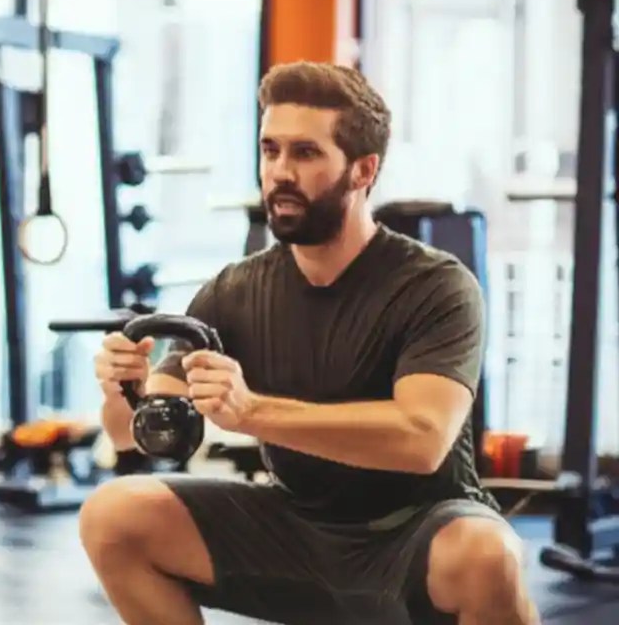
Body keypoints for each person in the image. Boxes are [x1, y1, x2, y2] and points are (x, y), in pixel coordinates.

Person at [81, 61, 538, 625]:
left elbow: (421, 439)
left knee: (488, 554)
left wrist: (252, 412)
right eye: (270, 150)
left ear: (362, 170)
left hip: (416, 532)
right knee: (113, 514)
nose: (279, 172)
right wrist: (121, 388)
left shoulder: (435, 285)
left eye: (305, 153)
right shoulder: (233, 291)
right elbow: (135, 435)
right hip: (294, 531)